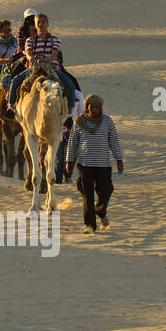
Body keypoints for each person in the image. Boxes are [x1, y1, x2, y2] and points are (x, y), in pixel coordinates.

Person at [65, 94, 124, 233]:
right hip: (85, 166)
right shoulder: (79, 121)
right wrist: (69, 161)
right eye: (93, 107)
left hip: (104, 165)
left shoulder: (107, 121)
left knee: (106, 191)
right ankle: (90, 225)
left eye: (98, 107)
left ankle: (101, 210)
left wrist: (119, 159)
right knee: (87, 196)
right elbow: (72, 143)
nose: (95, 110)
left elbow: (114, 141)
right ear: (87, 107)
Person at [5, 13, 79, 120]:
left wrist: (49, 59)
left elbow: (55, 52)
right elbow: (28, 52)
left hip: (51, 69)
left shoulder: (55, 39)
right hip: (34, 69)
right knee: (15, 81)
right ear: (35, 25)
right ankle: (11, 107)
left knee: (70, 85)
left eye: (43, 21)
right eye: (38, 22)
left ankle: (69, 109)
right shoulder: (30, 40)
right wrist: (31, 58)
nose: (41, 24)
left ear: (48, 24)